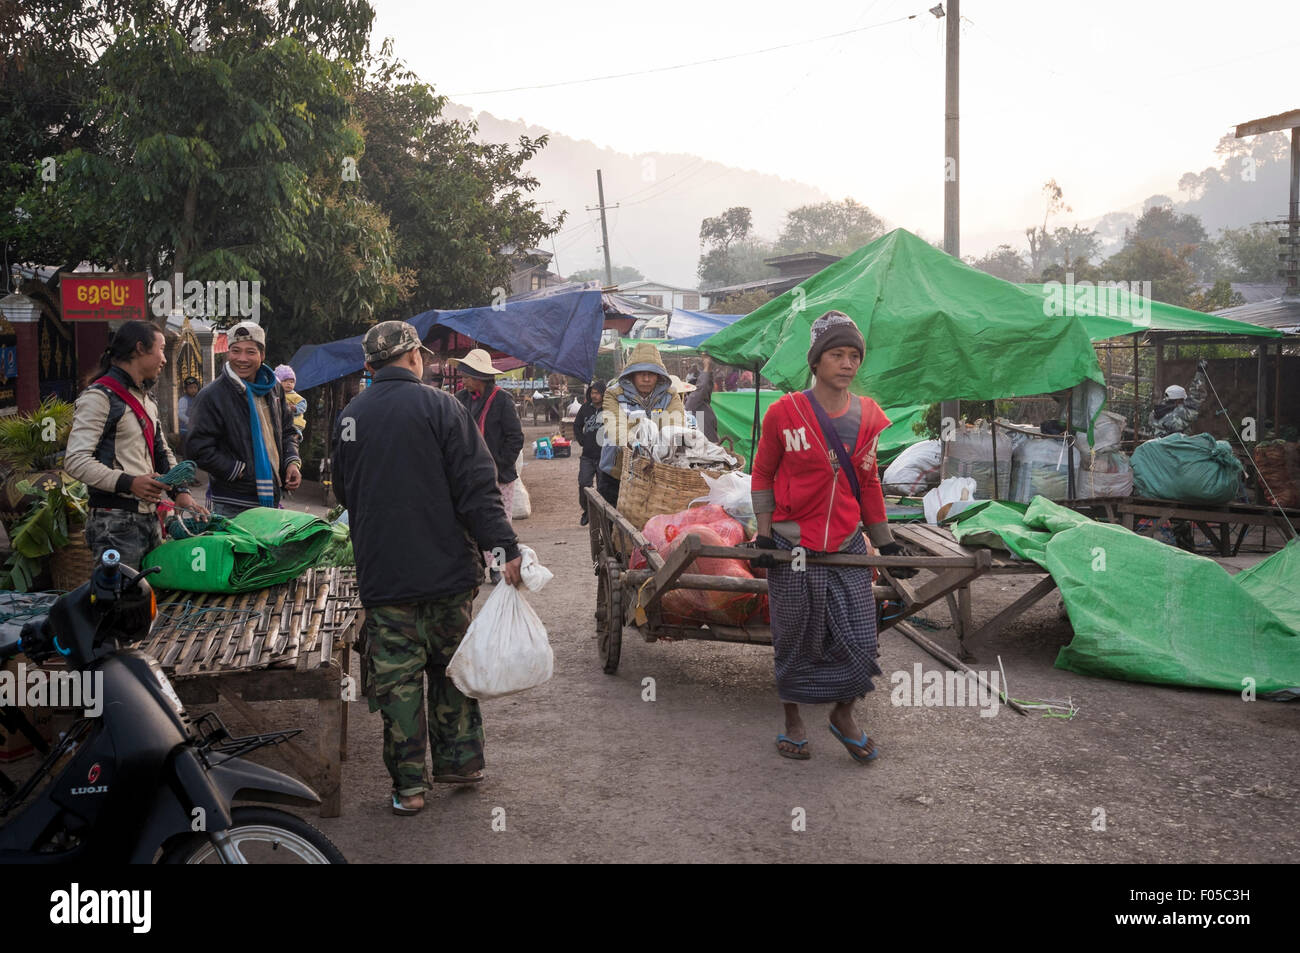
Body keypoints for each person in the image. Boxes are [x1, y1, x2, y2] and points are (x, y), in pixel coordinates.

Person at [332, 321, 522, 816]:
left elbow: (344, 492)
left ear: (370, 367)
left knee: (396, 683)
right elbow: (478, 489)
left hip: (385, 577)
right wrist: (503, 551)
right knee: (451, 668)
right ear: (415, 357)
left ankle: (410, 789)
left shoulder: (350, 416)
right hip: (446, 574)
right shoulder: (445, 408)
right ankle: (461, 763)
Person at [749, 310, 913, 765]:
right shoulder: (786, 412)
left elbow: (871, 481)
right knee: (795, 636)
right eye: (837, 354)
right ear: (816, 361)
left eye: (854, 356)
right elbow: (762, 472)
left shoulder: (867, 416)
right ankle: (793, 722)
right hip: (791, 546)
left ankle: (844, 715)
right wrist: (763, 536)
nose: (847, 364)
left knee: (862, 639)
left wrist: (886, 541)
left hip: (846, 544)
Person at [64, 321, 207, 569]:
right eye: (161, 349)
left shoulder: (146, 399)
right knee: (119, 602)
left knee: (148, 601)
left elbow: (162, 451)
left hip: (148, 518)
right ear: (140, 348)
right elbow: (76, 461)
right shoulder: (99, 397)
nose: (164, 359)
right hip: (114, 525)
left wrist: (180, 493)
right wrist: (129, 482)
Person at [186, 321, 302, 515]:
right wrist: (238, 470)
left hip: (271, 497)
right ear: (227, 353)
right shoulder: (212, 395)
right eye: (235, 351)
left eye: (250, 352)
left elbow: (288, 430)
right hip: (232, 501)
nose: (242, 359)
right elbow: (196, 448)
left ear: (262, 355)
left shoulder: (274, 389)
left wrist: (291, 461)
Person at [451, 350, 525, 577]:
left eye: (467, 375)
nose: (463, 380)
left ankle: (498, 566)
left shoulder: (503, 400)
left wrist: (499, 465)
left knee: (499, 523)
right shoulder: (460, 400)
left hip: (500, 475)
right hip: (470, 474)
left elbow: (515, 438)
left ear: (480, 376)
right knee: (472, 520)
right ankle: (478, 563)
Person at [596, 342, 686, 506]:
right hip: (617, 472)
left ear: (659, 376)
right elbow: (616, 429)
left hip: (655, 472)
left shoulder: (670, 395)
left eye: (651, 374)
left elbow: (676, 428)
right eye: (641, 373)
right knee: (614, 521)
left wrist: (659, 449)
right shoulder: (614, 393)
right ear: (632, 375)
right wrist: (638, 445)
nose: (646, 378)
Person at [575, 380, 606, 525]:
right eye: (592, 393)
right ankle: (587, 510)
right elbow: (577, 425)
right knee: (583, 484)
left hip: (603, 455)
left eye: (597, 393)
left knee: (602, 487)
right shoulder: (585, 408)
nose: (594, 396)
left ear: (603, 394)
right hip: (587, 455)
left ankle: (601, 514)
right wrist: (582, 440)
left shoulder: (609, 409)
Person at [1149, 369, 1207, 437]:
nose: (1184, 402)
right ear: (1178, 401)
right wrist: (1200, 373)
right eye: (1182, 400)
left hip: (1158, 446)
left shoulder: (1153, 413)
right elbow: (1196, 397)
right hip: (1176, 446)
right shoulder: (1180, 413)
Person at [685, 354, 720, 442]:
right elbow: (702, 387)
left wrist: (709, 370)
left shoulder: (701, 401)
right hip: (705, 444)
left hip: (708, 440)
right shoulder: (691, 403)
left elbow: (706, 387)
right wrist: (706, 367)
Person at [274, 364, 308, 437]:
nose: (289, 383)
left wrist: (295, 408)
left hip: (295, 422)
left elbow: (303, 405)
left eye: (292, 382)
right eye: (285, 381)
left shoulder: (295, 396)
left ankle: (296, 438)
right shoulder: (276, 395)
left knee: (292, 435)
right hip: (282, 422)